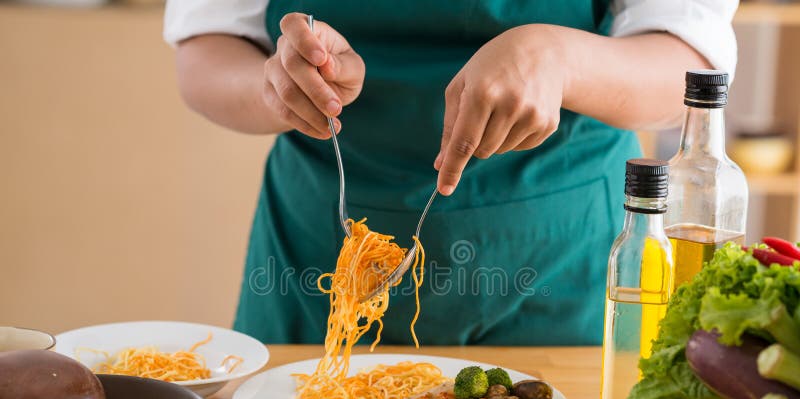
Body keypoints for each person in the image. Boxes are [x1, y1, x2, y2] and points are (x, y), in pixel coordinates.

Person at [164, 1, 738, 345]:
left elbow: (689, 64)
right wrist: (276, 88)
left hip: (563, 259)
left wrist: (557, 59)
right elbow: (204, 51)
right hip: (315, 256)